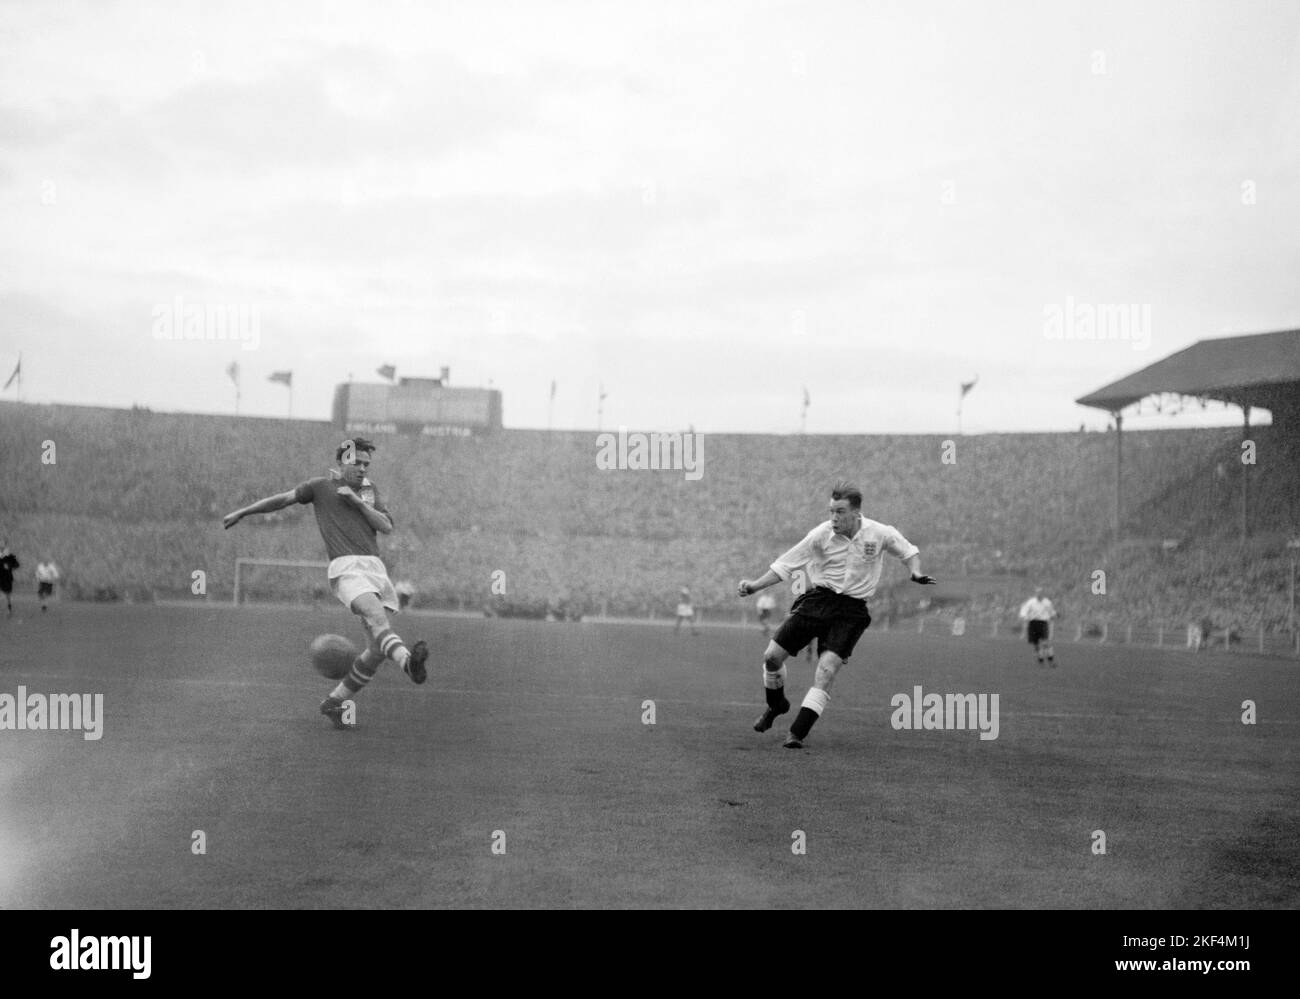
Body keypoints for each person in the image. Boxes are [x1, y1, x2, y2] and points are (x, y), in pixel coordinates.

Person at [223, 437, 429, 728]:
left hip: (376, 569)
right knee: (377, 617)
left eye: (366, 465)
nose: (361, 469)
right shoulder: (320, 486)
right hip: (347, 568)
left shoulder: (370, 491)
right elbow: (282, 500)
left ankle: (334, 703)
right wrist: (243, 511)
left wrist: (357, 502)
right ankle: (409, 663)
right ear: (341, 461)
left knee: (376, 650)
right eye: (356, 462)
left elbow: (386, 526)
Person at [737, 483, 935, 750]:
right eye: (831, 511)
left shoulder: (879, 533)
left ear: (856, 512)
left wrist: (915, 572)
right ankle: (777, 705)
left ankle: (797, 733)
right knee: (771, 657)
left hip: (851, 611)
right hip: (818, 601)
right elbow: (786, 564)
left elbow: (908, 551)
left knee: (827, 670)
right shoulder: (820, 534)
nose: (834, 518)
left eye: (840, 512)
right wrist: (754, 585)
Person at [1018, 586, 1057, 666]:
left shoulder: (1047, 602)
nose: (1039, 594)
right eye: (1037, 592)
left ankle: (1051, 660)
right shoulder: (1031, 602)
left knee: (1046, 643)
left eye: (1040, 592)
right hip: (1033, 623)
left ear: (1043, 593)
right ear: (1035, 593)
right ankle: (1041, 660)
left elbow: (1051, 611)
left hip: (1043, 623)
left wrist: (1054, 615)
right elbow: (1024, 610)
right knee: (1036, 644)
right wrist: (1024, 616)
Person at [0, 543, 19, 617]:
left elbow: (17, 565)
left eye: (3, 547)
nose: (1, 548)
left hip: (7, 577)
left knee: (7, 593)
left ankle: (9, 608)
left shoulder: (10, 556)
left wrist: (9, 567)